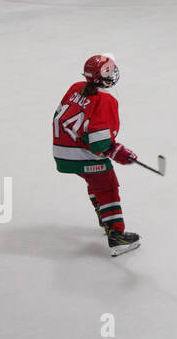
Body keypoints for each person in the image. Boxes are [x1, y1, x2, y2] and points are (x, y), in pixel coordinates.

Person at [52, 54, 140, 256]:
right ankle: (116, 235)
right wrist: (119, 153)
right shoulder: (106, 100)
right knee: (107, 185)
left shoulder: (76, 87)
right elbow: (99, 143)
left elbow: (60, 118)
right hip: (81, 154)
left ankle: (104, 216)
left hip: (62, 151)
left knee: (95, 181)